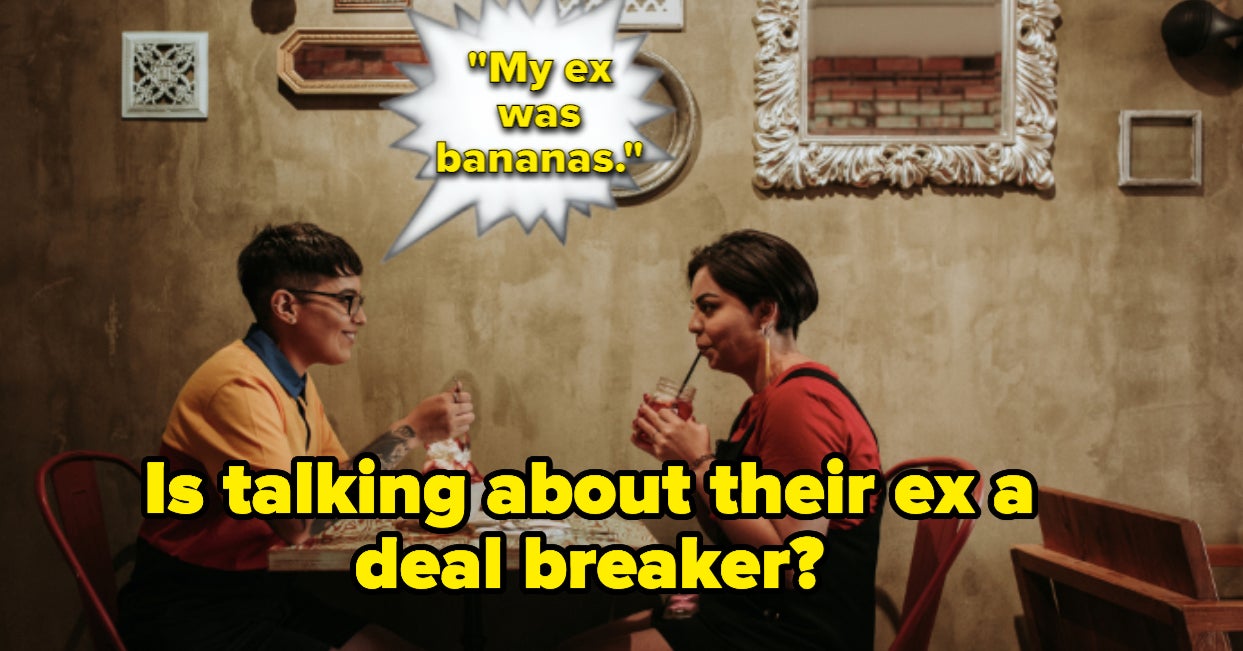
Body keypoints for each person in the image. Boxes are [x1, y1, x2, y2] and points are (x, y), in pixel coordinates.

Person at [119, 222, 474, 651]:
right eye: (346, 300)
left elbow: (337, 483)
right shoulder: (239, 385)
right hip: (194, 611)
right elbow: (300, 523)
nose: (360, 318)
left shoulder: (291, 380)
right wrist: (410, 431)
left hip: (261, 593)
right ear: (286, 306)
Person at [561, 229, 883, 651]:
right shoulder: (764, 403)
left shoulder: (801, 401)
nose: (693, 324)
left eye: (709, 307)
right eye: (695, 308)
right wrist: (681, 463)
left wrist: (701, 464)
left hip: (793, 635)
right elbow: (734, 532)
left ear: (765, 311)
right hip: (751, 613)